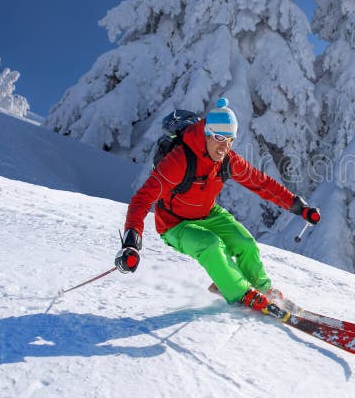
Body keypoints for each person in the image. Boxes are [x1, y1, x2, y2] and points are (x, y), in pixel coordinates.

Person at [115, 97, 320, 310]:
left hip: (208, 213)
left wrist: (298, 206)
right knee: (211, 244)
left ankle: (262, 288)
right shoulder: (179, 160)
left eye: (230, 140)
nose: (224, 147)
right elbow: (142, 199)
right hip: (174, 224)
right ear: (206, 134)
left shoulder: (227, 160)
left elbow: (261, 183)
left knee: (245, 243)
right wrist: (131, 240)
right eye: (220, 138)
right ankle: (241, 293)